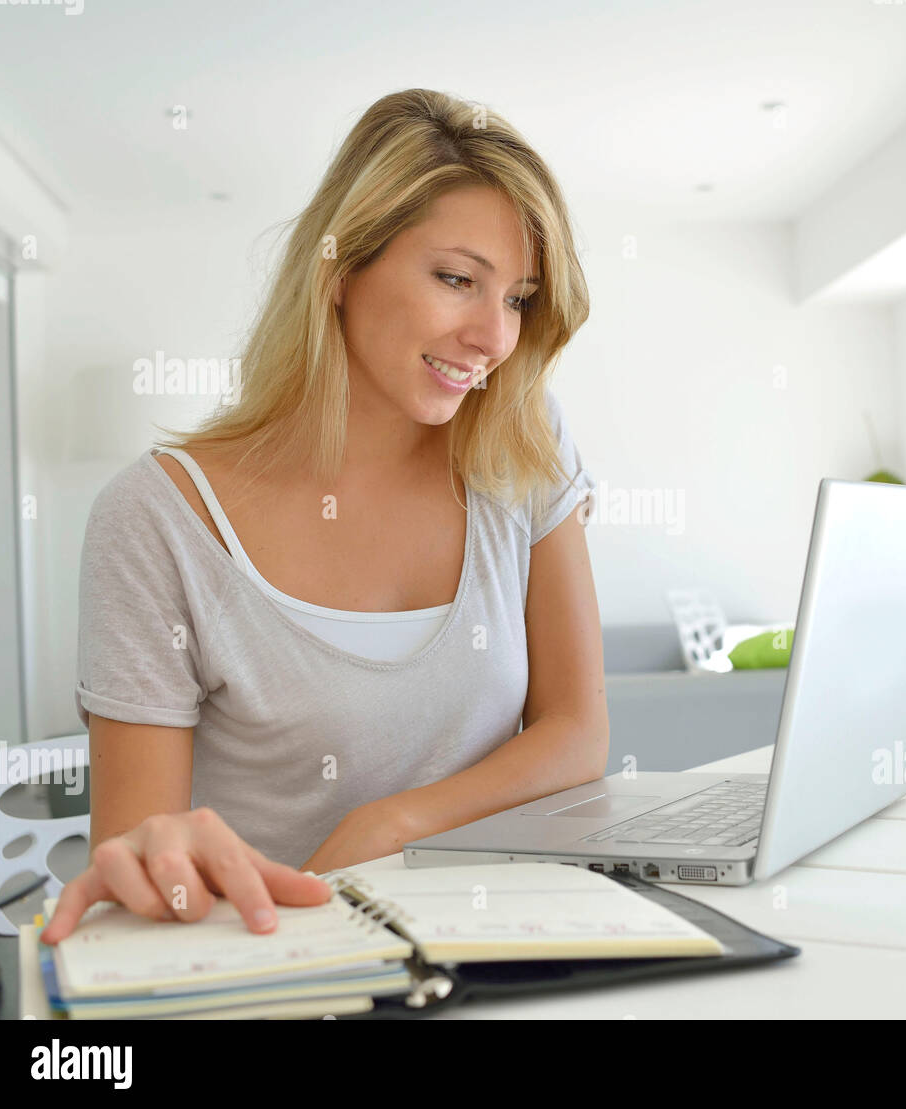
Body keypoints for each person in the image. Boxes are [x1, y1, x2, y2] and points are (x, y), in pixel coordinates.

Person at [42, 89, 607, 944]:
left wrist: (393, 825)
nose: (494, 337)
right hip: (285, 967)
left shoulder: (524, 443)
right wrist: (161, 863)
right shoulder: (155, 518)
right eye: (457, 280)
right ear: (341, 269)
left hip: (506, 946)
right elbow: (139, 859)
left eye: (519, 298)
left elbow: (576, 732)